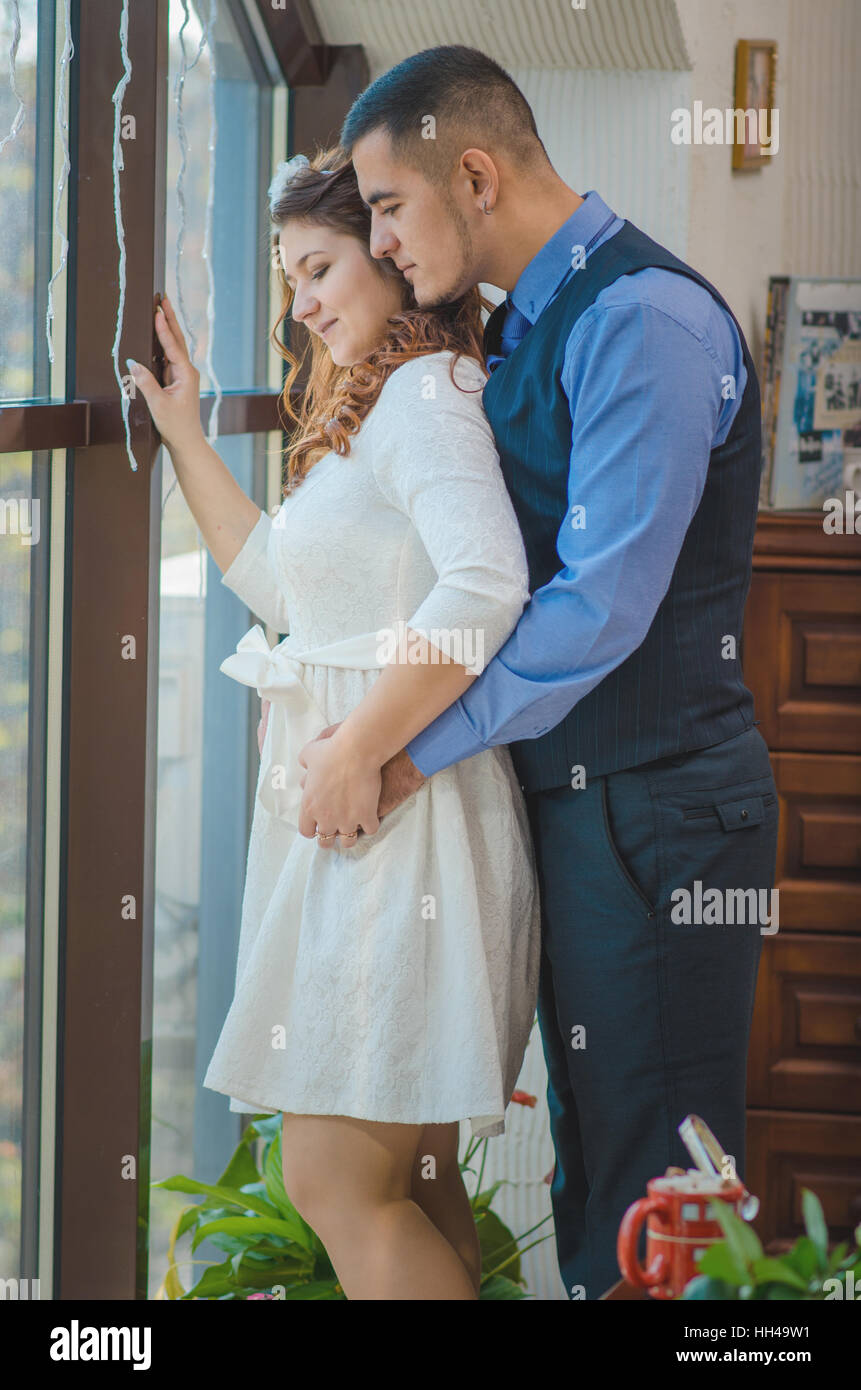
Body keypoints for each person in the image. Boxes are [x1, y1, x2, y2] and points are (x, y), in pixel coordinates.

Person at [301, 44, 780, 1299]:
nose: (384, 241)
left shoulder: (643, 318)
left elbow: (598, 609)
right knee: (595, 1168)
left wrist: (402, 751)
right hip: (588, 802)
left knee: (658, 1192)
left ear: (473, 173)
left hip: (663, 811)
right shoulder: (528, 325)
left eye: (390, 207)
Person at [127, 147, 541, 1301]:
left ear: (394, 258)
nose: (301, 304)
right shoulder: (398, 399)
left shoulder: (425, 398)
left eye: (321, 268)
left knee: (329, 1177)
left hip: (394, 823)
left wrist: (359, 746)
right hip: (394, 826)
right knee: (408, 1185)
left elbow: (485, 583)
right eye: (289, 279)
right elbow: (283, 584)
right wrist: (185, 432)